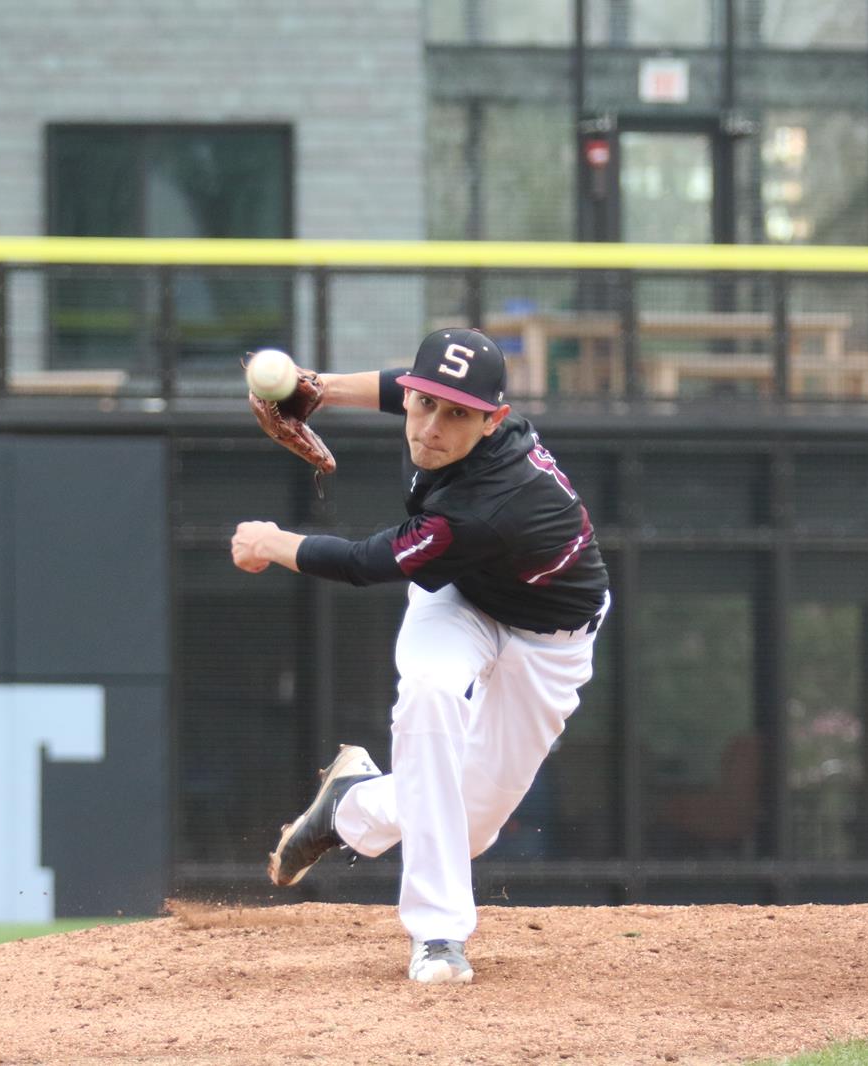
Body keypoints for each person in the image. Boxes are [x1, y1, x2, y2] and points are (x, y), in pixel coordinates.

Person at [229, 328, 609, 984]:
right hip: (461, 601)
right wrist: (310, 387)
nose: (432, 427)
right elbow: (397, 387)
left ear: (492, 422)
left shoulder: (489, 504)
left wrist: (272, 540)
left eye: (456, 413)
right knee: (430, 693)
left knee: (465, 832)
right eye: (425, 403)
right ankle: (438, 937)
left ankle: (350, 805)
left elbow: (364, 562)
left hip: (549, 643)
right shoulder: (437, 414)